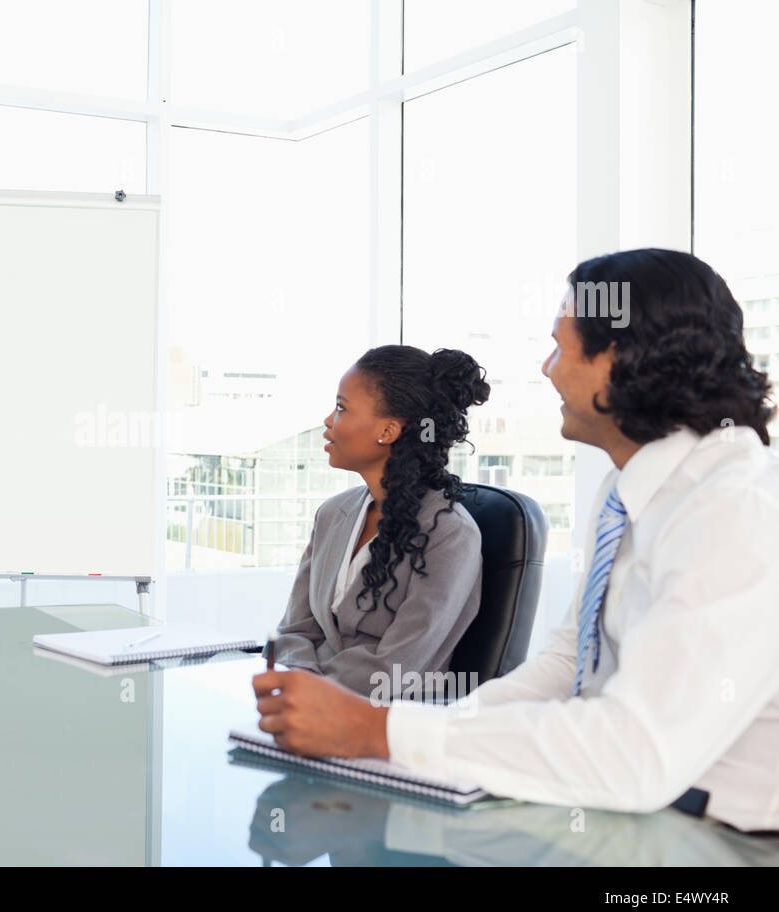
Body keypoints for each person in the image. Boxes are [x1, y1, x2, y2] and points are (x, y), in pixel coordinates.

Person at [253, 248, 779, 832]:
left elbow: (638, 752)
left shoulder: (736, 509)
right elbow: (566, 664)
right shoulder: (633, 488)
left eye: (560, 344)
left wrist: (378, 730)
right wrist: (408, 745)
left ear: (620, 356)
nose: (547, 367)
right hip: (616, 806)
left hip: (715, 837)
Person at [272, 345, 491, 696]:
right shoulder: (332, 515)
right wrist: (297, 685)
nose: (329, 420)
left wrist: (313, 694)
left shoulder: (450, 534)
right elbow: (295, 631)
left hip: (384, 723)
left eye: (342, 408)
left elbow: (397, 667)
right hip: (306, 708)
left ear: (388, 432)